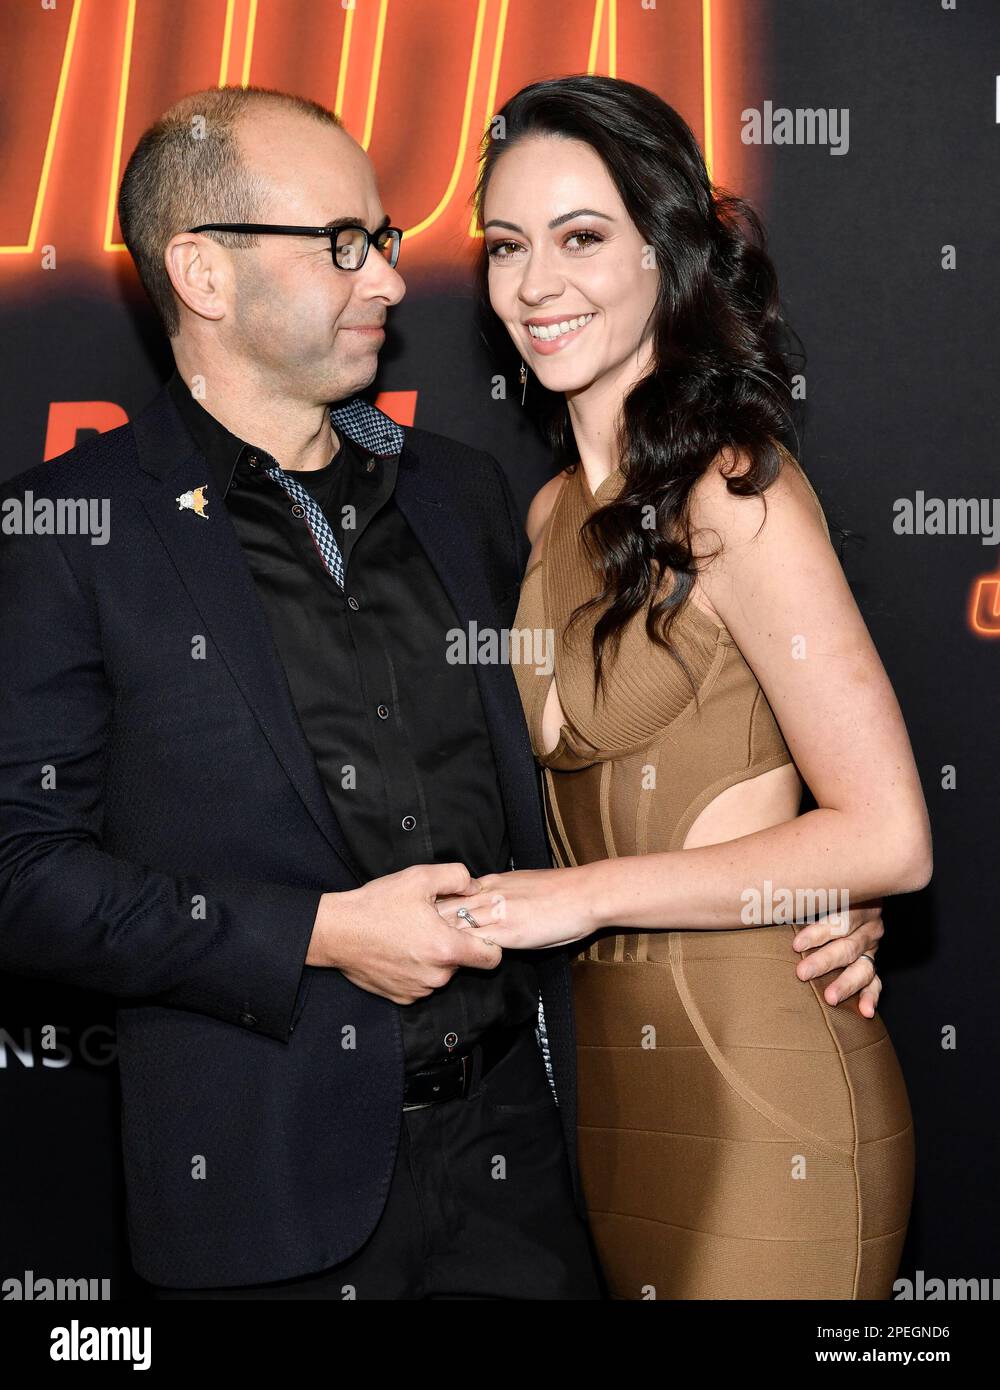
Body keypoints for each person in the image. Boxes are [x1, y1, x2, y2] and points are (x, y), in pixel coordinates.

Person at [0, 82, 883, 1301]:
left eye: (387, 242)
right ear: (203, 273)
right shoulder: (70, 533)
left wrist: (809, 882)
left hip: (541, 1162)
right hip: (267, 1203)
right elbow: (22, 876)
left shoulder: (468, 498)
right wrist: (323, 934)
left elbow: (637, 764)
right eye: (344, 246)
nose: (391, 282)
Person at [436, 75, 931, 1300]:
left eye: (581, 237)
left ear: (664, 253)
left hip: (772, 1090)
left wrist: (576, 897)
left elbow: (889, 836)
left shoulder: (733, 490)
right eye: (506, 246)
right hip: (610, 1104)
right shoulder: (551, 512)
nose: (534, 283)